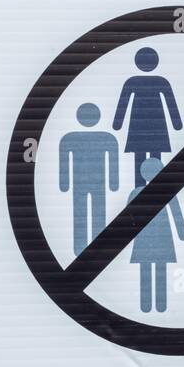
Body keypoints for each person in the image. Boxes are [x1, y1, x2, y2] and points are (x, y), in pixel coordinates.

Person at [113, 46, 182, 186]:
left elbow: (123, 104)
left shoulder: (132, 82)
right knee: (155, 158)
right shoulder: (161, 81)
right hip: (157, 127)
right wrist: (177, 124)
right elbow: (171, 104)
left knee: (140, 159)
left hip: (138, 127)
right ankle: (150, 190)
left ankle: (140, 188)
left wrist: (117, 124)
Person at [58, 103, 120, 256]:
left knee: (87, 215)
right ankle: (84, 251)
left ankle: (86, 250)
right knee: (92, 214)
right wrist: (113, 183)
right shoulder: (106, 138)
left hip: (87, 183)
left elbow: (64, 162)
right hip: (94, 183)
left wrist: (64, 184)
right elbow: (64, 161)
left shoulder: (70, 139)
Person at [127, 157, 184, 313]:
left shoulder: (136, 192)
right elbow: (176, 214)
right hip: (161, 236)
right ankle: (160, 305)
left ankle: (146, 305)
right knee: (159, 270)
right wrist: (182, 234)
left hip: (145, 237)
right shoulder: (166, 192)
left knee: (146, 271)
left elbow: (128, 217)